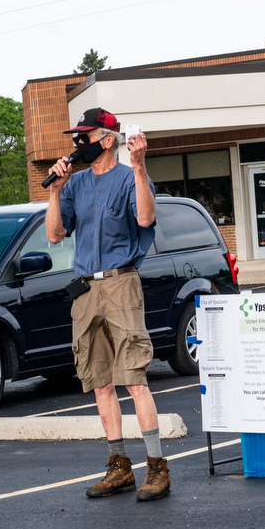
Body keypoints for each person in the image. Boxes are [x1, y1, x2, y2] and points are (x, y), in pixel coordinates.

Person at [46, 106, 170, 502]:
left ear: (107, 139)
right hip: (85, 291)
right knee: (99, 381)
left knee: (133, 378)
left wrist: (138, 165)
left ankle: (156, 468)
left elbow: (147, 219)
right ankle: (119, 467)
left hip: (120, 285)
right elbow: (54, 234)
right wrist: (55, 189)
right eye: (76, 136)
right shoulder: (77, 184)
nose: (77, 142)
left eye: (85, 135)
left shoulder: (130, 175)